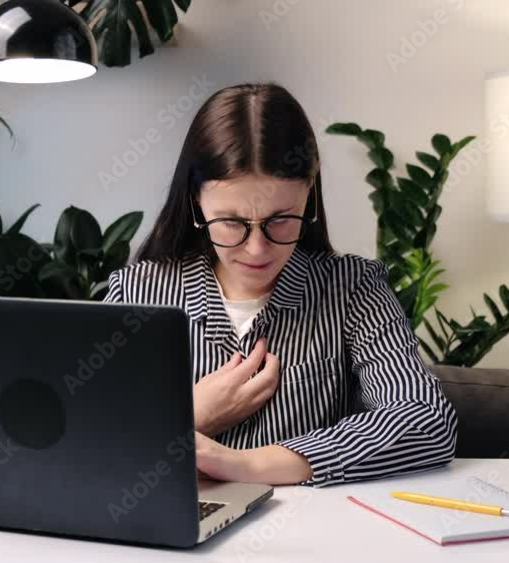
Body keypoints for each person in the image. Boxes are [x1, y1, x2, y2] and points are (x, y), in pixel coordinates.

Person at [103, 82, 457, 487]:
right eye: (231, 222)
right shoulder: (137, 292)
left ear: (310, 190)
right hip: (176, 537)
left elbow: (426, 421)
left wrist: (250, 465)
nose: (256, 249)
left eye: (281, 219)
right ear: (196, 201)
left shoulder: (354, 289)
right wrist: (192, 415)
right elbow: (90, 438)